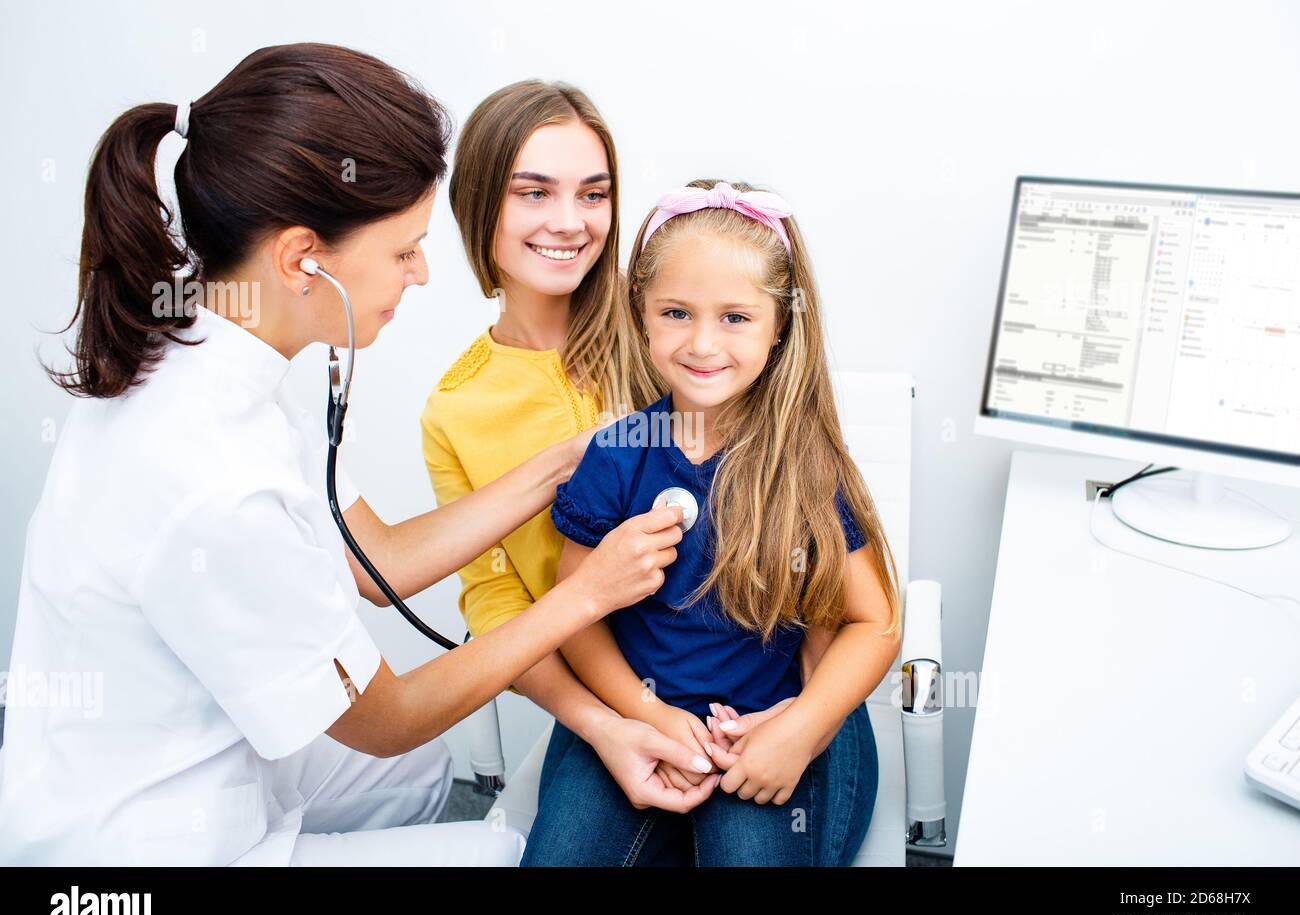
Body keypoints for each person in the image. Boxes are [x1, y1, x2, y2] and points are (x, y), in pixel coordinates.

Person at [0, 43, 688, 866]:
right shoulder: (213, 475)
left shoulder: (210, 351)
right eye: (403, 250)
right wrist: (587, 595)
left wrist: (560, 463)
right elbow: (387, 717)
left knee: (426, 783)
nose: (424, 273)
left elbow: (377, 561)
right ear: (301, 259)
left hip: (175, 733)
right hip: (139, 843)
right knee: (503, 849)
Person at [519, 179, 904, 866]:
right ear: (640, 312)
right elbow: (574, 616)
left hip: (768, 726)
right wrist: (652, 717)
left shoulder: (808, 465)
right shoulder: (615, 456)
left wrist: (802, 730)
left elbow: (874, 623)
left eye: (735, 317)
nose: (701, 343)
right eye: (676, 311)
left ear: (780, 325)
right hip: (635, 713)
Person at [420, 81, 717, 814]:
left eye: (593, 194)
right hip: (605, 709)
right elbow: (495, 604)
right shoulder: (455, 410)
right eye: (533, 193)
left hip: (740, 679)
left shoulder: (674, 327)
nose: (569, 222)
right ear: (479, 204)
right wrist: (606, 725)